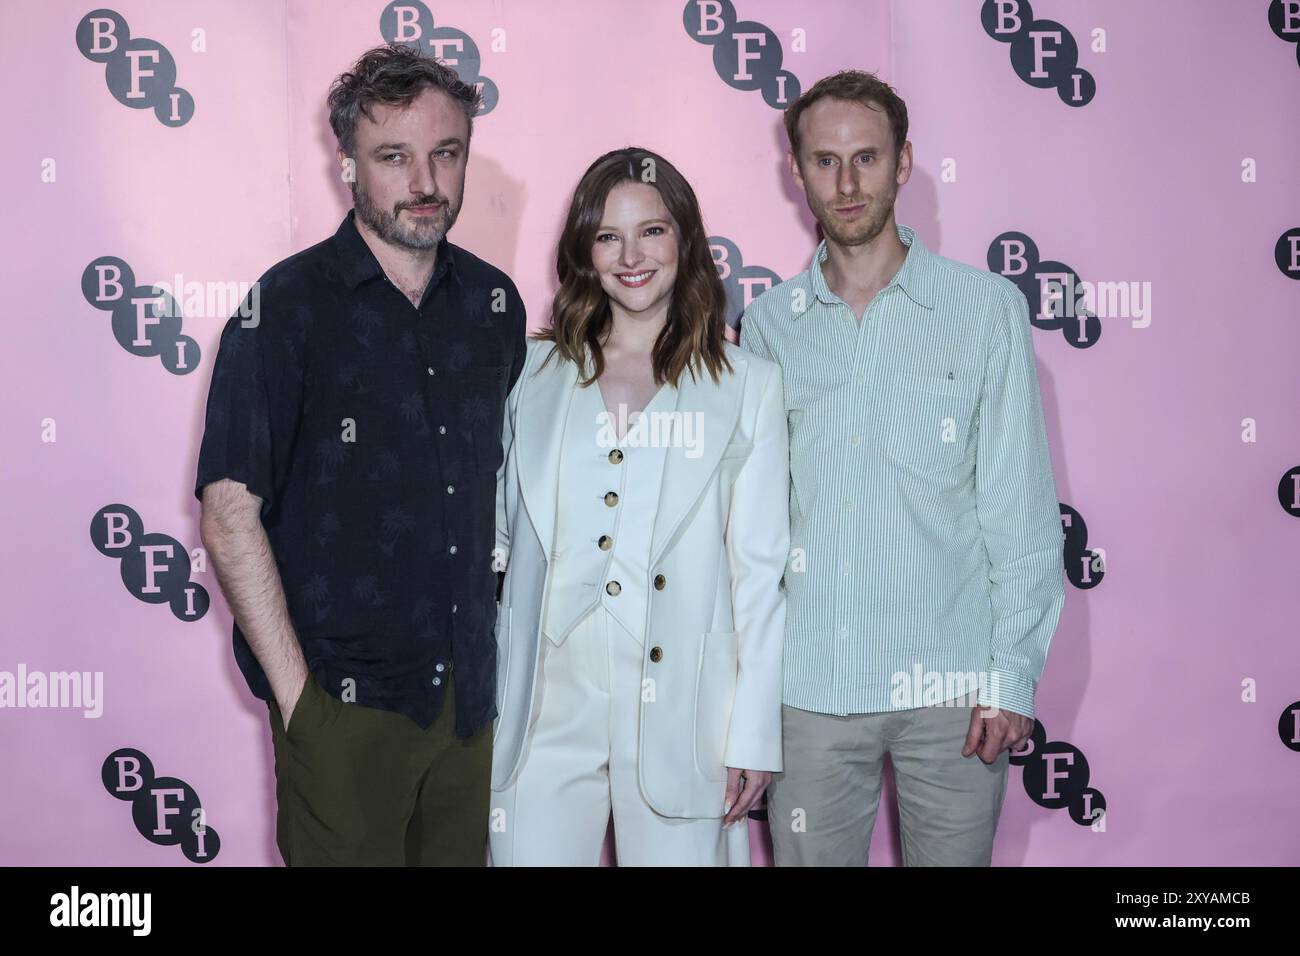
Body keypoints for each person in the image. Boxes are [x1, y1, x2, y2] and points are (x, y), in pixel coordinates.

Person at [194, 45, 526, 866]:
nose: (424, 181)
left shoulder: (493, 304)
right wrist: (302, 703)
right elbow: (230, 512)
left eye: (444, 154)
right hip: (344, 714)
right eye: (393, 156)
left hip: (469, 712)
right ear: (348, 165)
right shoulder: (284, 310)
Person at [740, 70, 1066, 866]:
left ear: (904, 161)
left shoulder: (985, 310)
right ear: (797, 172)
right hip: (811, 692)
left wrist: (1010, 678)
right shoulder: (768, 327)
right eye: (825, 161)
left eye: (867, 158)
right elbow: (751, 532)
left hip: (953, 694)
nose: (847, 184)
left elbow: (1019, 510)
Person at [488, 147, 788, 866]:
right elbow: (497, 543)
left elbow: (760, 573)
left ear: (684, 240)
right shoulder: (529, 373)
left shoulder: (749, 385)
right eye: (608, 236)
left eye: (652, 231)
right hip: (544, 710)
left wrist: (752, 735)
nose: (631, 255)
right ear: (584, 251)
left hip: (685, 713)